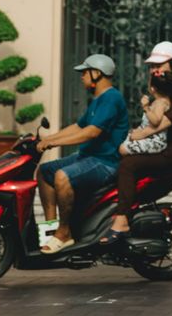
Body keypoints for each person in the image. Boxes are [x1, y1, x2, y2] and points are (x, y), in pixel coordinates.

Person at [100, 42, 172, 247]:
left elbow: (163, 123)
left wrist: (140, 134)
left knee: (129, 165)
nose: (154, 69)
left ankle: (122, 220)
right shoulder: (165, 89)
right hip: (159, 146)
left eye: (158, 65)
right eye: (152, 66)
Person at [37, 55, 130, 254]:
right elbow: (78, 126)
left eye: (84, 72)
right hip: (88, 157)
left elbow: (91, 132)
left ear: (97, 73)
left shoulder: (111, 98)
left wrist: (53, 143)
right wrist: (47, 138)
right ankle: (51, 229)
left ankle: (64, 234)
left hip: (105, 162)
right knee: (45, 171)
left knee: (62, 177)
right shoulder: (98, 99)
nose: (81, 77)